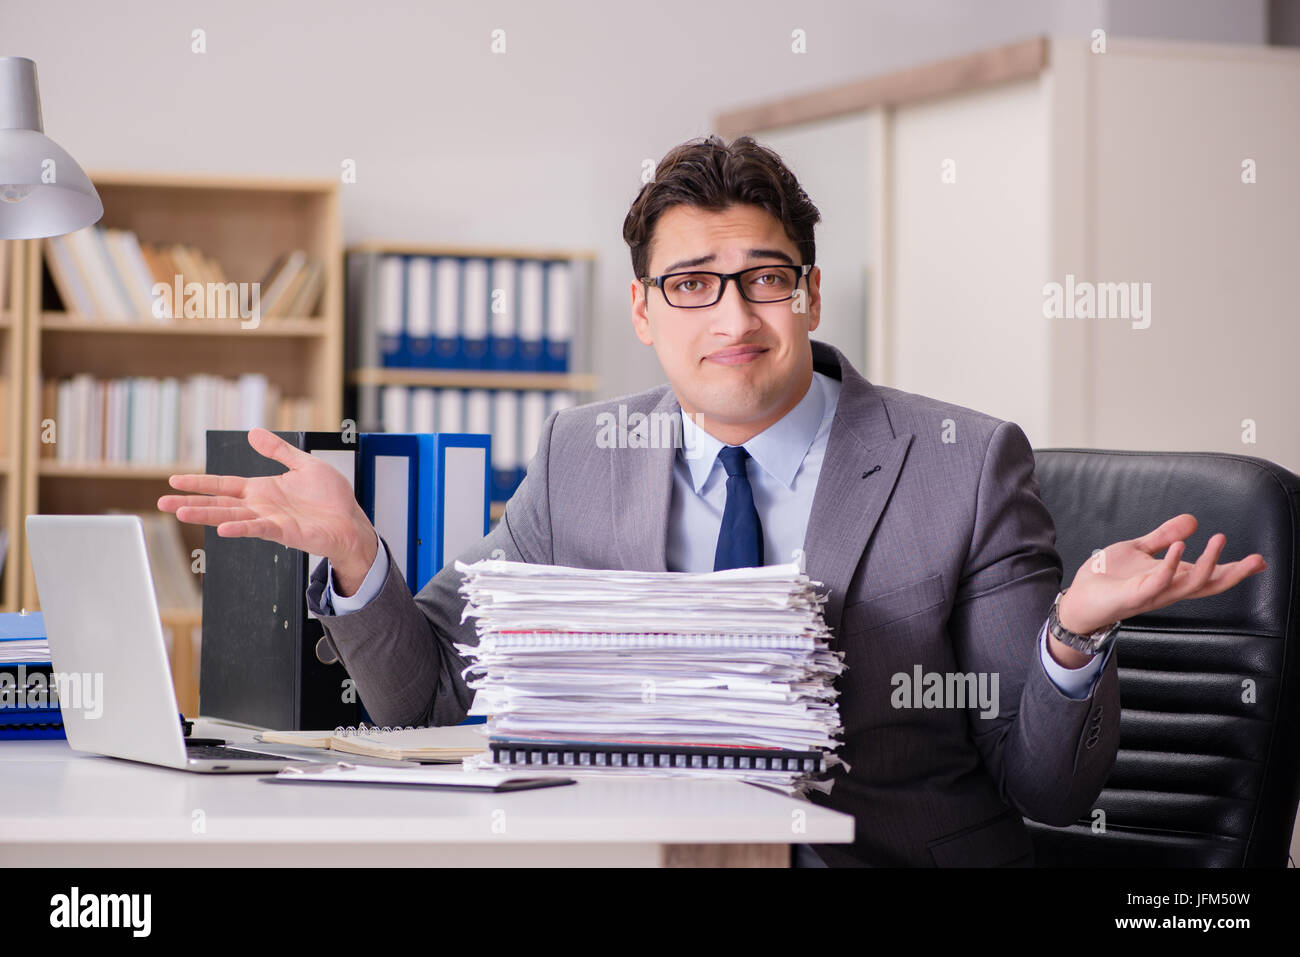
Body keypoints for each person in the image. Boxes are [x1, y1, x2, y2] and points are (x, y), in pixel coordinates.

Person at [159, 134, 1265, 866]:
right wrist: (358, 556)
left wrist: (1073, 635)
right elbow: (433, 700)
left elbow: (1048, 788)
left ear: (809, 291)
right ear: (643, 312)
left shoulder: (960, 463)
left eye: (765, 276)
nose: (732, 315)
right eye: (691, 285)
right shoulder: (583, 452)